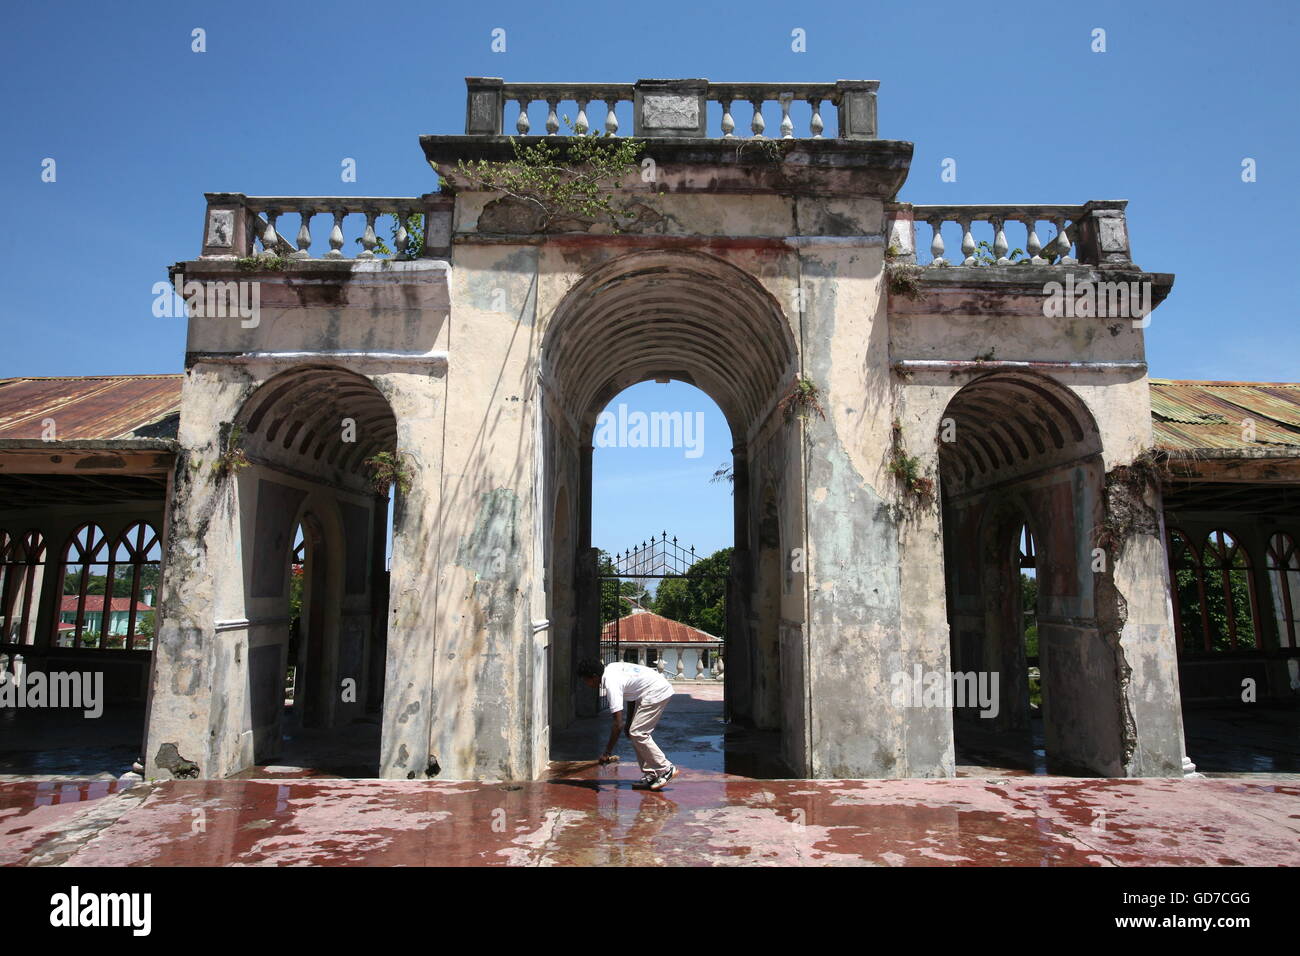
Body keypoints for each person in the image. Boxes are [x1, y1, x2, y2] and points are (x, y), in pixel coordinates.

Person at [578, 657, 677, 790]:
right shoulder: (611, 668)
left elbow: (617, 724)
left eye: (586, 679)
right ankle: (651, 774)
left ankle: (666, 768)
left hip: (656, 691)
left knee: (638, 733)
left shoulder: (610, 683)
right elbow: (631, 695)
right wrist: (630, 721)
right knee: (634, 732)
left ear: (594, 677)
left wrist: (607, 753)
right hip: (647, 690)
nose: (586, 683)